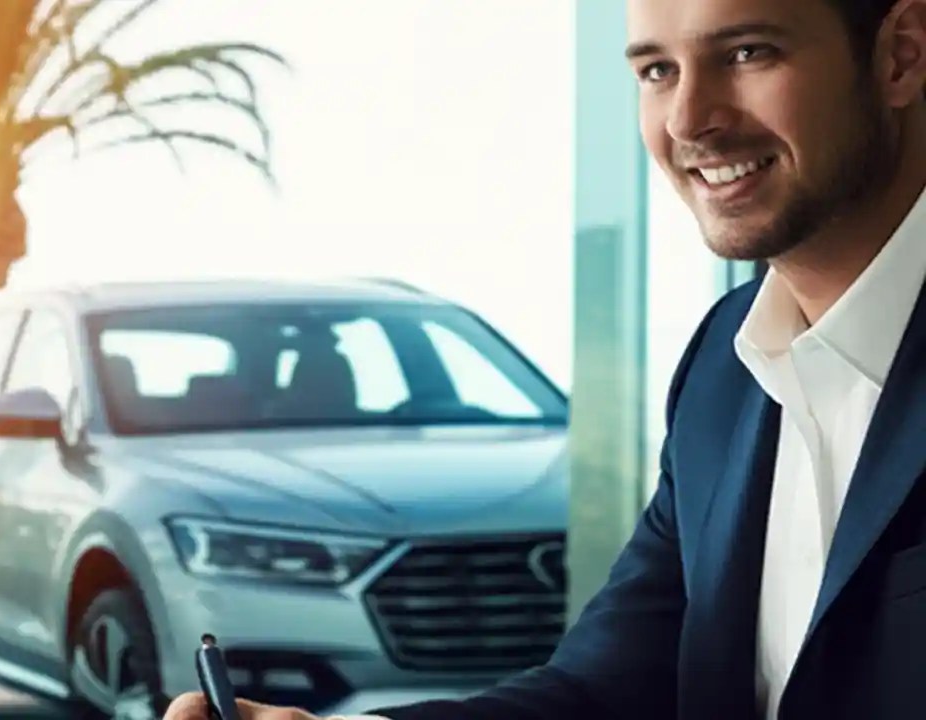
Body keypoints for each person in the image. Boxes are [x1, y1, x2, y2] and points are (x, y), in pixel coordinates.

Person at [163, 0, 926, 718]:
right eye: (657, 72)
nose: (690, 120)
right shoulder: (722, 368)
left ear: (901, 55)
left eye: (748, 52)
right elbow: (610, 686)